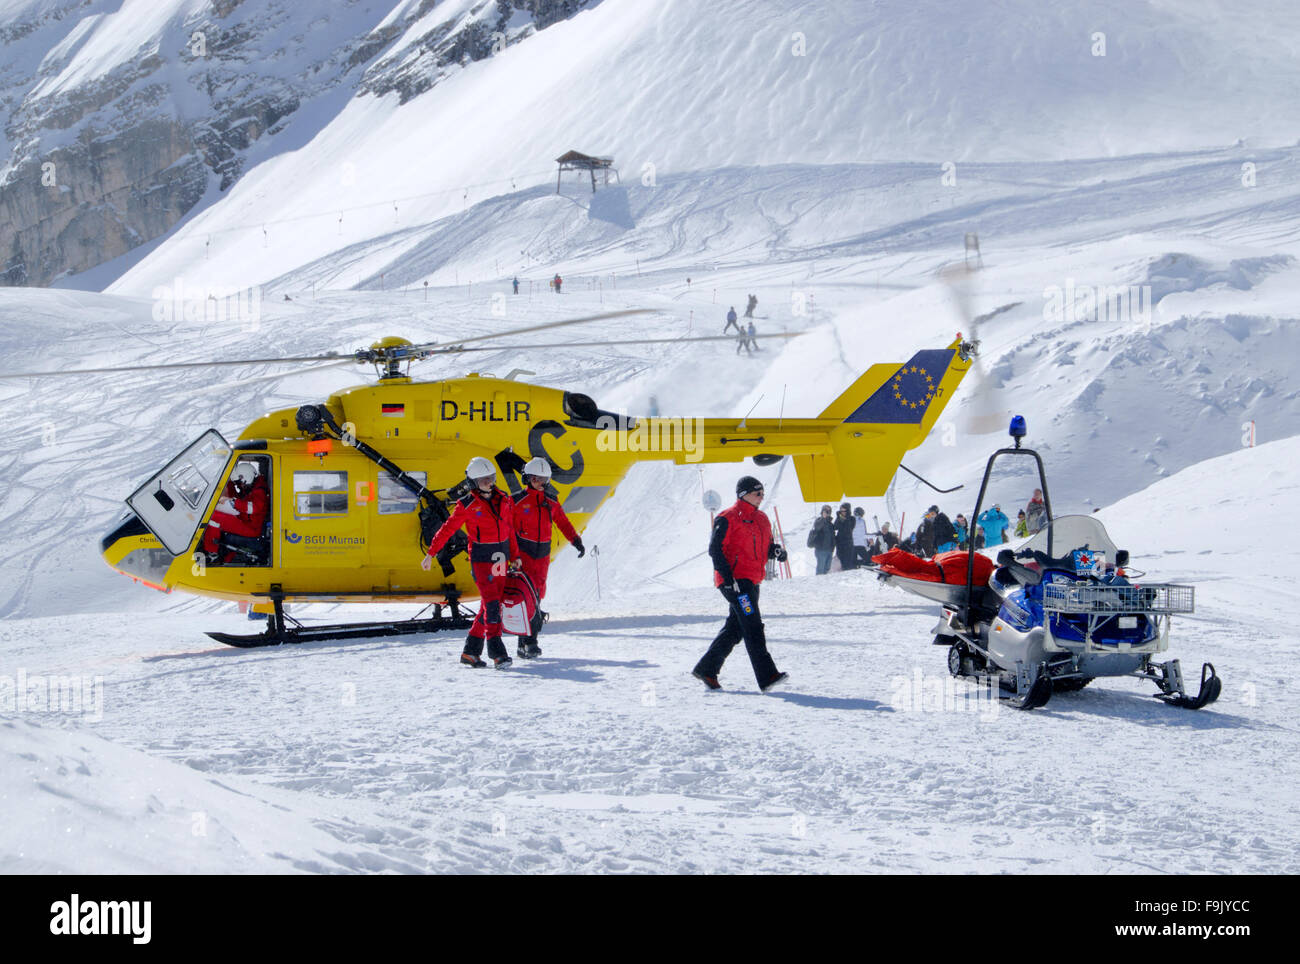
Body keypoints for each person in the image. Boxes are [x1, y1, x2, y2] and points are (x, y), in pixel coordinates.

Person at [422, 456, 521, 669]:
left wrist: (515, 556)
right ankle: (497, 653)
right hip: (481, 560)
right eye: (483, 479)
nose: (489, 482)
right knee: (492, 605)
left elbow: (510, 530)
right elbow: (447, 529)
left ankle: (470, 652)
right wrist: (431, 553)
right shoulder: (466, 505)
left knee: (491, 606)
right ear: (474, 482)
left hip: (501, 557)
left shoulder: (504, 500)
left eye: (491, 477)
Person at [692, 476, 788, 692]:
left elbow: (767, 547)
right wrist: (728, 578)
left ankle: (707, 669)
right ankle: (768, 676)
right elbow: (715, 549)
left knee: (735, 629)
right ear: (743, 495)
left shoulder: (762, 519)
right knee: (753, 625)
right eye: (757, 493)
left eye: (762, 493)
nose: (761, 497)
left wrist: (777, 552)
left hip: (752, 580)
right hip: (735, 583)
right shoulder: (727, 518)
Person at [511, 457, 584, 659]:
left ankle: (525, 643)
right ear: (527, 478)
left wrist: (575, 540)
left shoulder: (551, 501)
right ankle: (529, 642)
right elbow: (506, 528)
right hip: (523, 554)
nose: (540, 483)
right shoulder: (516, 501)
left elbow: (562, 522)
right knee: (525, 597)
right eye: (535, 478)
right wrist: (508, 554)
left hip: (542, 555)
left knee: (537, 595)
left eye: (543, 479)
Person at [200, 461, 269, 563]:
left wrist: (233, 502)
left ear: (247, 477)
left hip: (251, 528)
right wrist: (229, 485)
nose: (241, 485)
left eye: (241, 482)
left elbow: (254, 508)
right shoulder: (255, 486)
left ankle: (213, 552)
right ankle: (224, 556)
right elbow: (242, 498)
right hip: (246, 521)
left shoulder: (259, 490)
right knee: (216, 515)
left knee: (213, 517)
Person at [808, 504, 835, 574]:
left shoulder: (831, 524)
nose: (826, 513)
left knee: (827, 569)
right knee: (821, 569)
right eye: (825, 511)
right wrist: (823, 518)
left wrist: (832, 547)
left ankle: (825, 581)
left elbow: (832, 536)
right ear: (822, 512)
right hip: (821, 550)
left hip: (829, 550)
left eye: (828, 511)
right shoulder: (818, 521)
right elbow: (817, 527)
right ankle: (819, 581)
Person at [833, 502, 856, 570]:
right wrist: (838, 518)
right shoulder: (839, 518)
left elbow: (849, 527)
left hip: (848, 543)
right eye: (841, 511)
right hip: (840, 543)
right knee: (840, 560)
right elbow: (835, 527)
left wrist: (845, 518)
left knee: (848, 561)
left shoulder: (852, 518)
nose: (842, 512)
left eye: (844, 511)